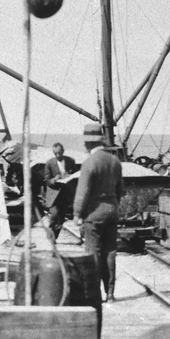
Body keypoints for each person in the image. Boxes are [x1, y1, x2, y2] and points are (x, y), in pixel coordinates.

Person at [73, 126, 123, 303]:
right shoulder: (115, 161)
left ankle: (95, 295)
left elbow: (82, 193)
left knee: (93, 252)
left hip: (94, 215)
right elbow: (120, 190)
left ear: (88, 143)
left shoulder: (89, 162)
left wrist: (77, 214)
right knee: (110, 252)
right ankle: (110, 294)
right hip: (112, 211)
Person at [43, 142, 78, 239]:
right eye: (55, 154)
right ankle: (50, 235)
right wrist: (54, 179)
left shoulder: (70, 161)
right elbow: (47, 180)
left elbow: (76, 176)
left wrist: (69, 176)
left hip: (65, 193)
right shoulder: (49, 163)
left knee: (61, 218)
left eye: (59, 153)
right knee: (54, 215)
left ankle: (54, 237)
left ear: (63, 151)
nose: (58, 155)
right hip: (54, 193)